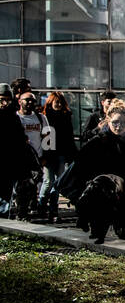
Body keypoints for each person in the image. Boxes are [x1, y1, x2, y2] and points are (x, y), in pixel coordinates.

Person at [62, 99, 125, 242]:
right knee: (99, 233)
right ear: (108, 121)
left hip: (123, 191)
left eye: (123, 123)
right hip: (101, 190)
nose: (119, 126)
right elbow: (81, 162)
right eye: (115, 122)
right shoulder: (98, 140)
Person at [1, 83, 40, 219]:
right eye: (1, 99)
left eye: (7, 99)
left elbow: (21, 141)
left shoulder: (13, 118)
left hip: (11, 163)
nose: (4, 103)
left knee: (7, 197)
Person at [39, 91, 78, 223]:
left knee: (57, 183)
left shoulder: (66, 117)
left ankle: (53, 210)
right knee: (48, 181)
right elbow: (45, 138)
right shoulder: (45, 117)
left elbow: (69, 138)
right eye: (57, 102)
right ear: (51, 102)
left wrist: (72, 154)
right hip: (49, 153)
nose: (59, 104)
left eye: (61, 102)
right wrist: (44, 155)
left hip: (61, 153)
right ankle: (41, 205)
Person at [12, 89, 50, 220]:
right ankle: (21, 211)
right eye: (27, 100)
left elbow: (48, 137)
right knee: (22, 186)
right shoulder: (14, 117)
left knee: (33, 185)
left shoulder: (41, 117)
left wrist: (46, 156)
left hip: (37, 159)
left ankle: (29, 210)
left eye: (32, 100)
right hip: (19, 158)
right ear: (19, 101)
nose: (29, 102)